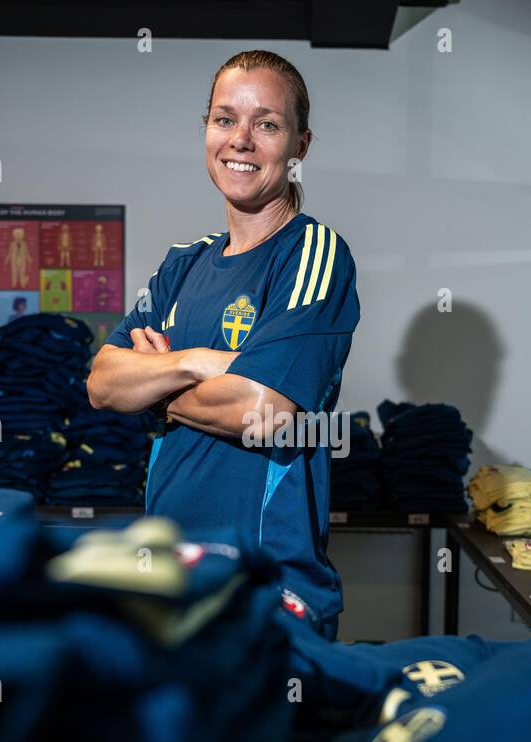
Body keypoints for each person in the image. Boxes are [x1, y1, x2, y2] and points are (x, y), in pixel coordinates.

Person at [87, 50, 360, 641]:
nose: (241, 141)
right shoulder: (181, 264)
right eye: (223, 119)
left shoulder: (313, 254)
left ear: (300, 145)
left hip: (264, 590)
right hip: (168, 578)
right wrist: (196, 362)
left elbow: (263, 412)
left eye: (266, 124)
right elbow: (104, 384)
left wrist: (157, 381)